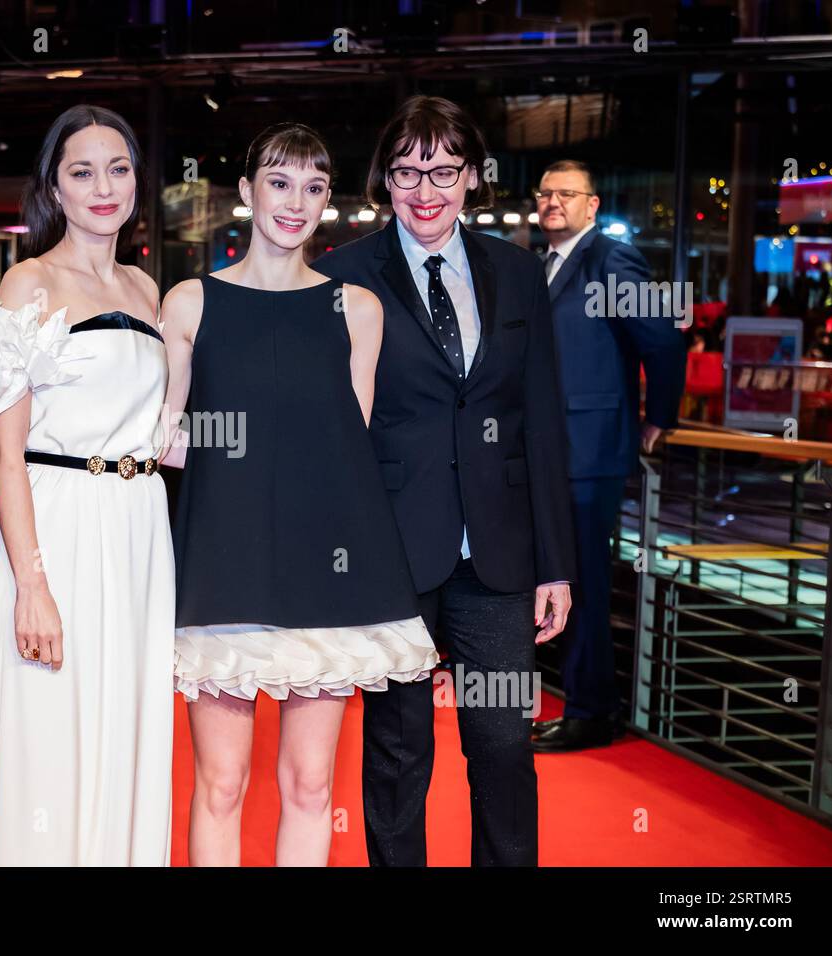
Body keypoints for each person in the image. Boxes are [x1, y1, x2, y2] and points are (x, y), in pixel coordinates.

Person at [161, 122, 439, 867]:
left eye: (315, 187)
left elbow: (349, 444)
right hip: (225, 564)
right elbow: (166, 438)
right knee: (220, 783)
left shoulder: (358, 309)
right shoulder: (191, 302)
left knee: (312, 785)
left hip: (332, 572)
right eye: (280, 184)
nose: (297, 203)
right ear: (247, 192)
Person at [313, 95, 577, 866]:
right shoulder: (343, 274)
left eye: (442, 170)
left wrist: (555, 562)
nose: (424, 190)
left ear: (472, 176)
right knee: (397, 756)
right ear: (383, 179)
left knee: (501, 746)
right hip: (392, 555)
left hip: (497, 560)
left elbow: (544, 422)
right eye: (406, 171)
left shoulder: (518, 273)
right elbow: (329, 428)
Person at [0, 105, 174, 866]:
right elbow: (2, 448)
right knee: (49, 737)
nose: (103, 186)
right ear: (54, 187)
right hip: (54, 527)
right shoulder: (26, 282)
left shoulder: (149, 288)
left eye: (118, 168)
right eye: (82, 171)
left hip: (140, 531)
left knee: (128, 727)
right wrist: (31, 583)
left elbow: (163, 435)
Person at [531, 159, 686, 753]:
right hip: (549, 453)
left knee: (584, 584)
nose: (553, 203)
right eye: (545, 194)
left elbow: (664, 338)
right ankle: (572, 701)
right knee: (556, 581)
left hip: (590, 451)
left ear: (592, 206)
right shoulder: (543, 265)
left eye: (566, 194)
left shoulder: (608, 260)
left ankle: (593, 712)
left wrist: (659, 418)